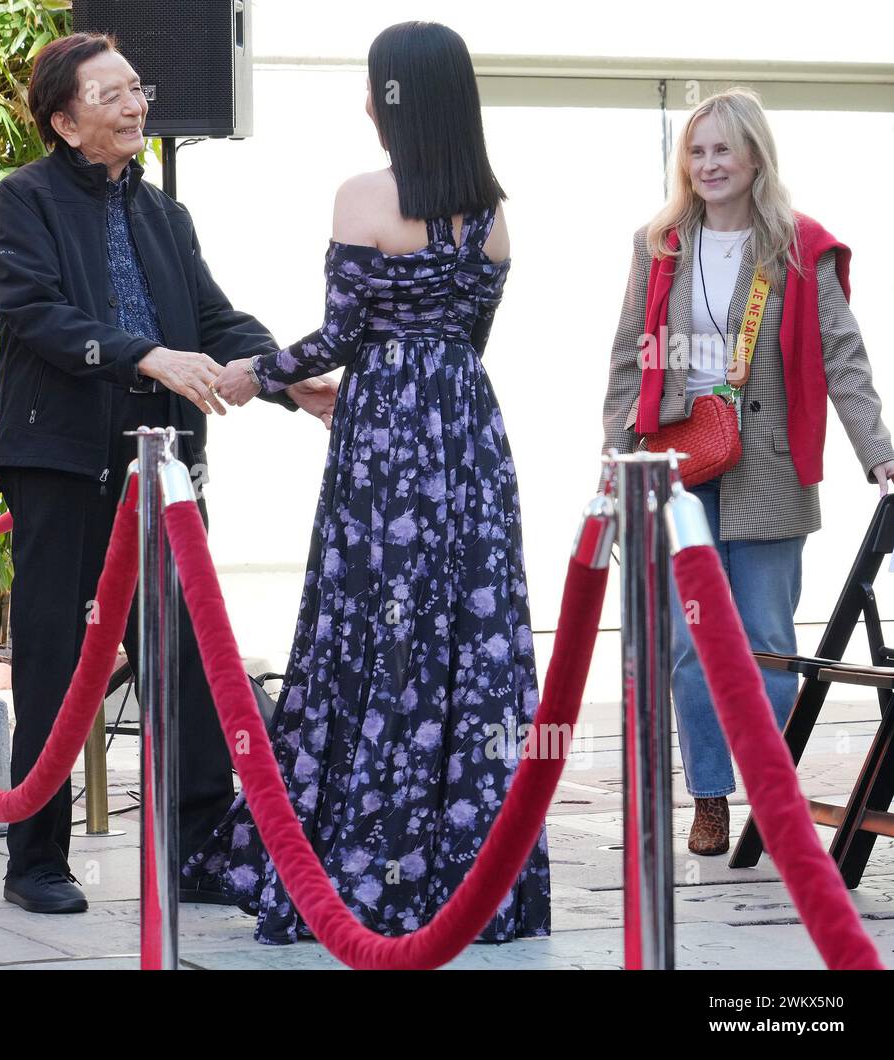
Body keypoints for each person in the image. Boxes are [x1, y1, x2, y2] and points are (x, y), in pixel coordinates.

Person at [197, 21, 549, 945]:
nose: (366, 98)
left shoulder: (363, 196)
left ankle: (358, 857)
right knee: (473, 638)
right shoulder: (493, 213)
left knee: (368, 623)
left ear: (393, 97)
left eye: (374, 84)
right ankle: (474, 874)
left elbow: (342, 338)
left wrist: (256, 373)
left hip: (388, 436)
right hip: (467, 430)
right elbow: (468, 338)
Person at [0, 32, 338, 915]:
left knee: (183, 655)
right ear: (64, 122)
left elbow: (214, 319)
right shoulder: (23, 200)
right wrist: (146, 356)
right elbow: (35, 314)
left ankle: (195, 847)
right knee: (56, 662)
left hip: (167, 467)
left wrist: (287, 377)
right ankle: (36, 861)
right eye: (109, 95)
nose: (135, 104)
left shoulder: (163, 212)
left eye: (135, 87)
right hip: (65, 463)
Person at [599, 87, 894, 855]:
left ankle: (770, 792)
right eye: (696, 153)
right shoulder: (657, 244)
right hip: (675, 465)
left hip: (768, 470)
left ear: (755, 155)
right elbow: (630, 354)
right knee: (693, 643)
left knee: (766, 639)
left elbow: (843, 357)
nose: (708, 165)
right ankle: (709, 795)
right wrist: (616, 453)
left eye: (723, 149)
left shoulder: (799, 245)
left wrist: (879, 451)